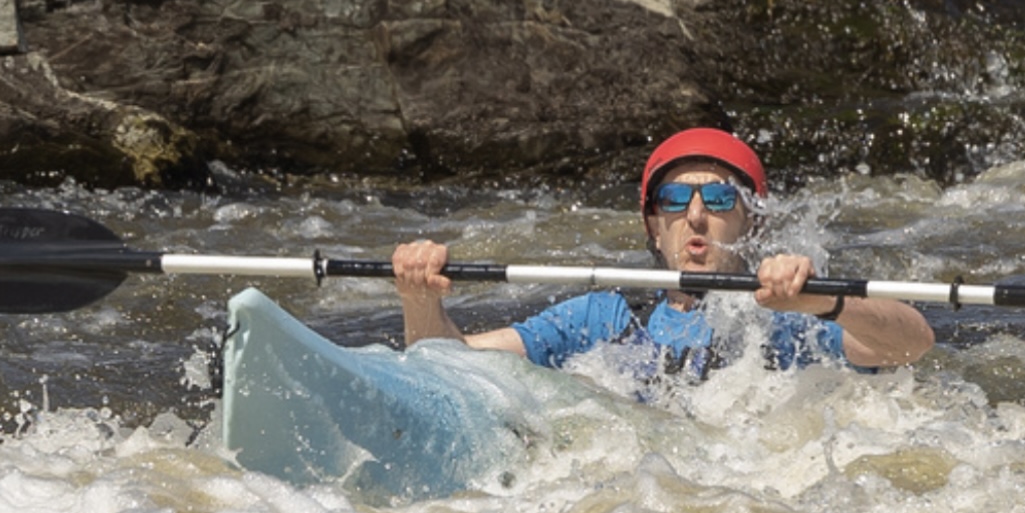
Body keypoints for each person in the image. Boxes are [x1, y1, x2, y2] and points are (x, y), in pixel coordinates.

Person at [392, 128, 933, 377]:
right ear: (653, 224)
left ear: (754, 219)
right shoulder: (603, 318)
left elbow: (911, 345)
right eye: (675, 200)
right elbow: (449, 365)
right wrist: (420, 301)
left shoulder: (787, 320)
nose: (695, 217)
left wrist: (827, 302)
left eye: (720, 198)